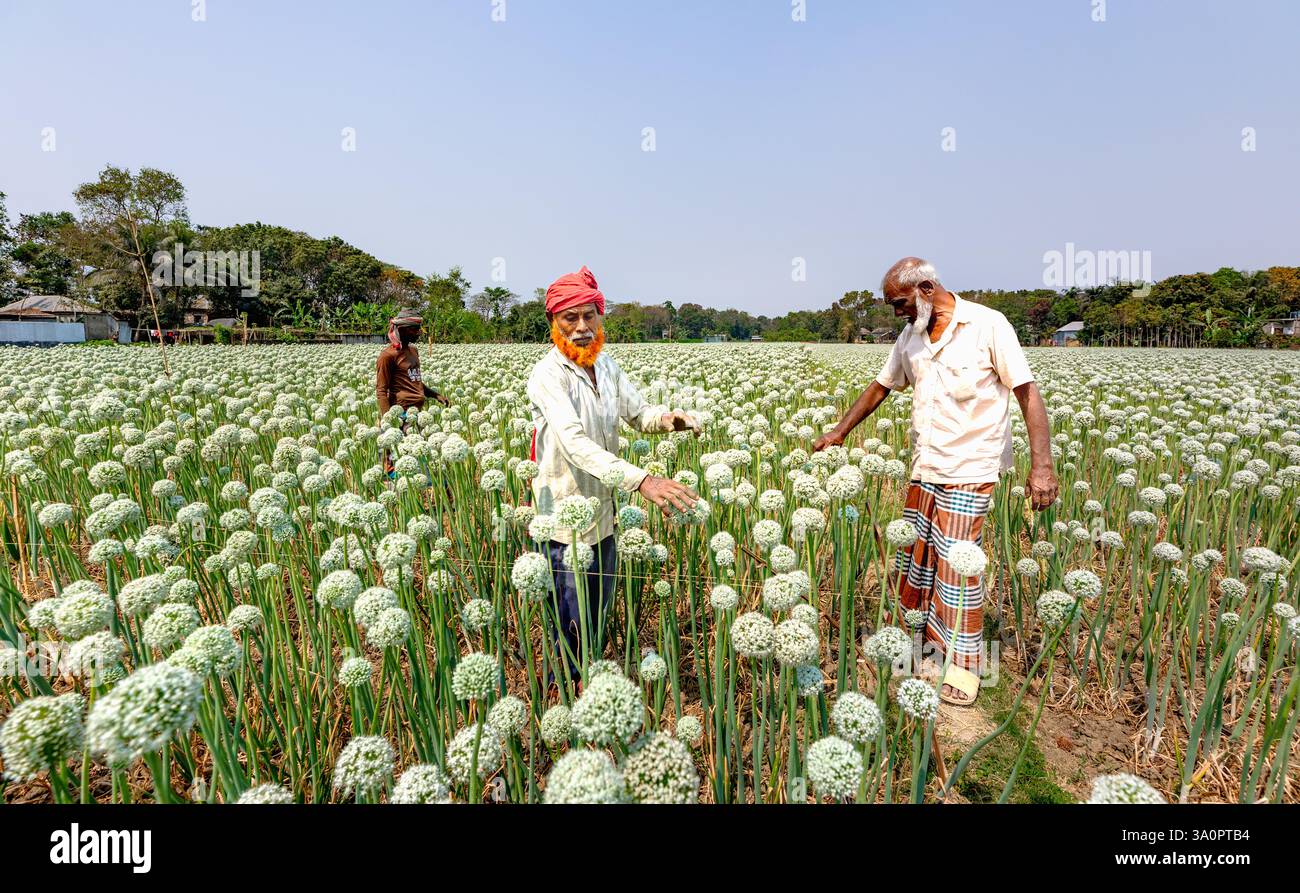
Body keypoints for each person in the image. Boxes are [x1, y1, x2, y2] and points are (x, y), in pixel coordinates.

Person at [814, 257, 1058, 706]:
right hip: (925, 465)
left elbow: (1026, 391)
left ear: (926, 287)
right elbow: (881, 386)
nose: (897, 314)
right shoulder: (910, 337)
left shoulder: (988, 325)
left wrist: (1041, 466)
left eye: (900, 303)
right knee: (919, 560)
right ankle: (925, 648)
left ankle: (964, 667)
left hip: (971, 466)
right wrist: (839, 430)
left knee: (957, 565)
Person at [526, 265, 700, 682]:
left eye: (590, 316)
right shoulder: (547, 375)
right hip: (560, 514)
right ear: (554, 322)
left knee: (598, 607)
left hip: (602, 512)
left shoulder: (605, 366)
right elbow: (573, 442)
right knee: (568, 614)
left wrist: (670, 418)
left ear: (600, 317)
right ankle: (564, 693)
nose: (583, 327)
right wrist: (642, 481)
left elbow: (639, 413)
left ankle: (591, 682)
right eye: (571, 318)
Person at [375, 311, 449, 474]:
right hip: (400, 415)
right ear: (401, 329)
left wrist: (436, 395)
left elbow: (415, 380)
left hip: (417, 414)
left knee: (420, 459)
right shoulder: (387, 356)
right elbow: (381, 391)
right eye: (414, 329)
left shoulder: (413, 351)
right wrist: (389, 422)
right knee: (396, 463)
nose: (418, 333)